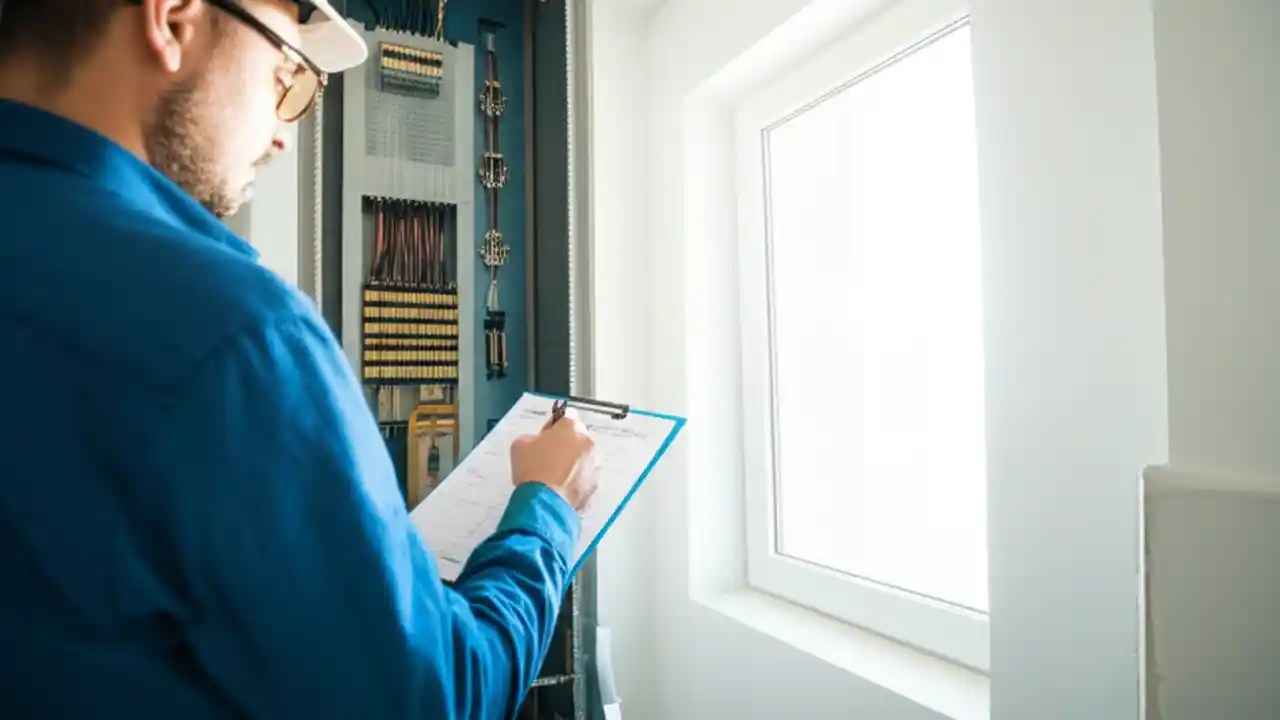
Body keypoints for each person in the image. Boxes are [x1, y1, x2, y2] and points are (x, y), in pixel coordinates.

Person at [0, 1, 599, 717]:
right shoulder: (233, 334)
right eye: (287, 76)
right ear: (174, 19)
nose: (285, 134)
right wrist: (546, 509)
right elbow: (433, 697)